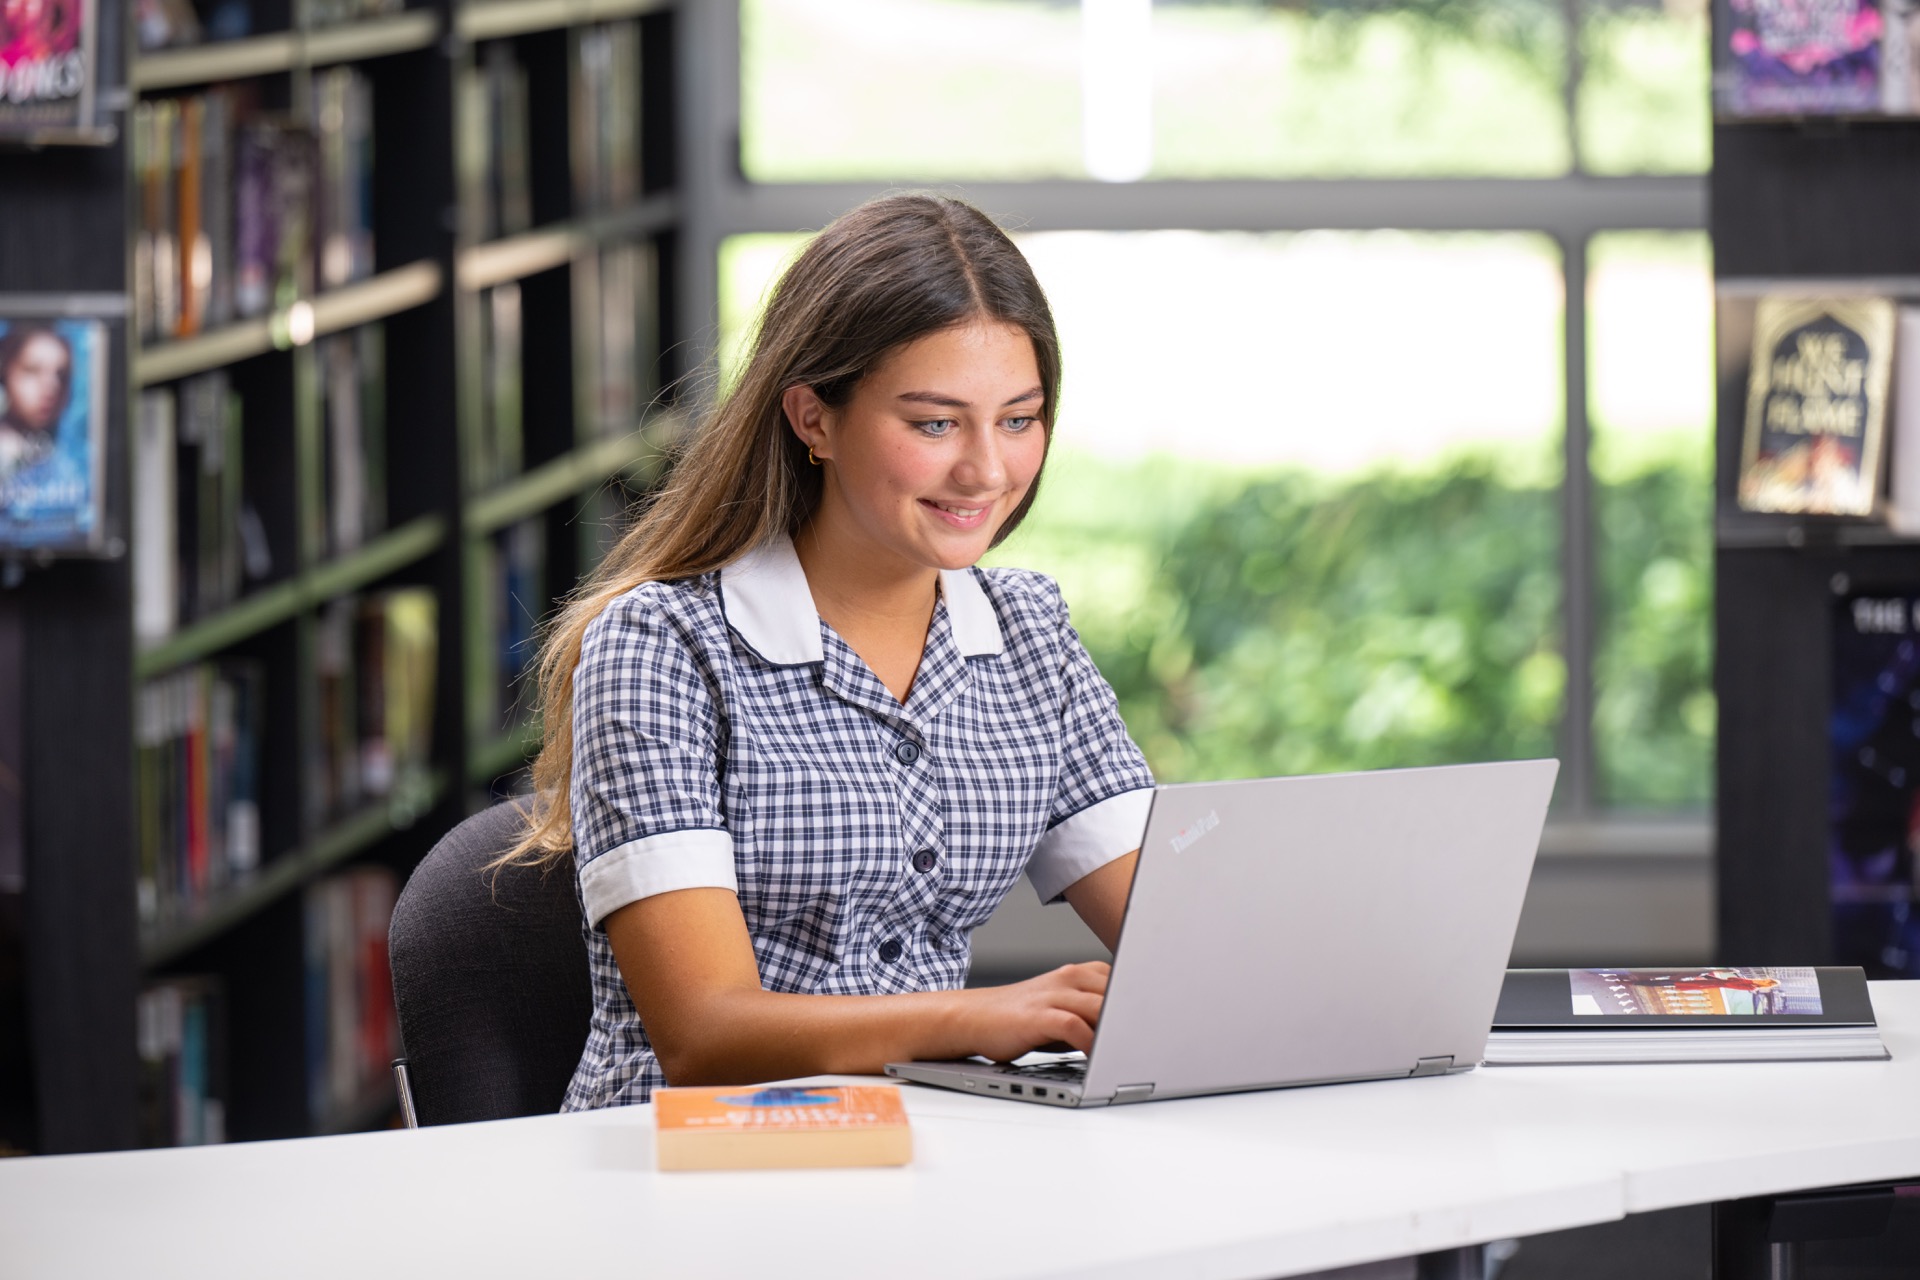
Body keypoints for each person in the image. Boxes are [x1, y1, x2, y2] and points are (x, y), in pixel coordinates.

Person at [504, 194, 1156, 1110]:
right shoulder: (663, 647)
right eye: (935, 424)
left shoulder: (1026, 634)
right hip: (689, 1181)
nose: (987, 470)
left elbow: (1177, 934)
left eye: (1018, 419)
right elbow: (704, 1033)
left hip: (932, 1152)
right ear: (814, 419)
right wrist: (980, 1017)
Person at [0, 324, 73, 489]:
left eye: (61, 375)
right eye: (32, 370)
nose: (51, 388)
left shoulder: (71, 459)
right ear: (5, 372)